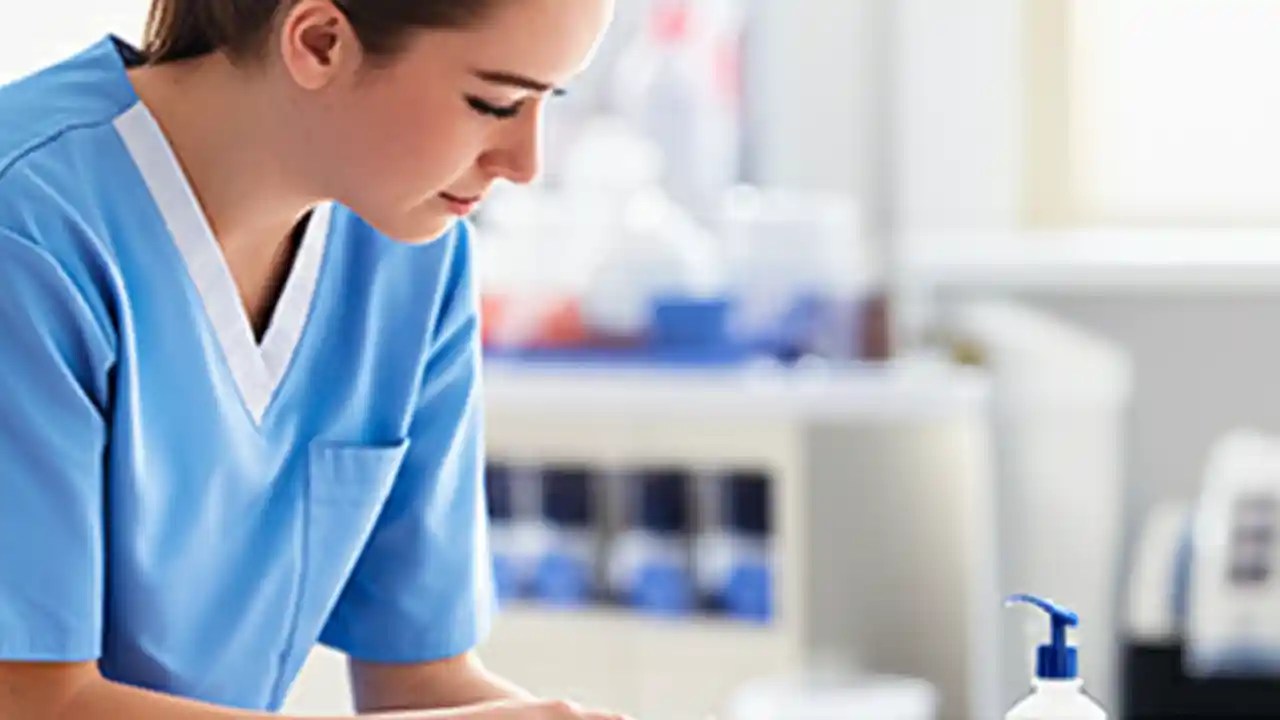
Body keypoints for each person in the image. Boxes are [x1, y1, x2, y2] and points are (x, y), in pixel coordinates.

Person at [0, 1, 620, 718]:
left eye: (551, 99)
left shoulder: (408, 248)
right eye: (495, 103)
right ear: (320, 42)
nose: (525, 164)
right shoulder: (30, 231)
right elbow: (29, 702)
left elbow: (417, 684)